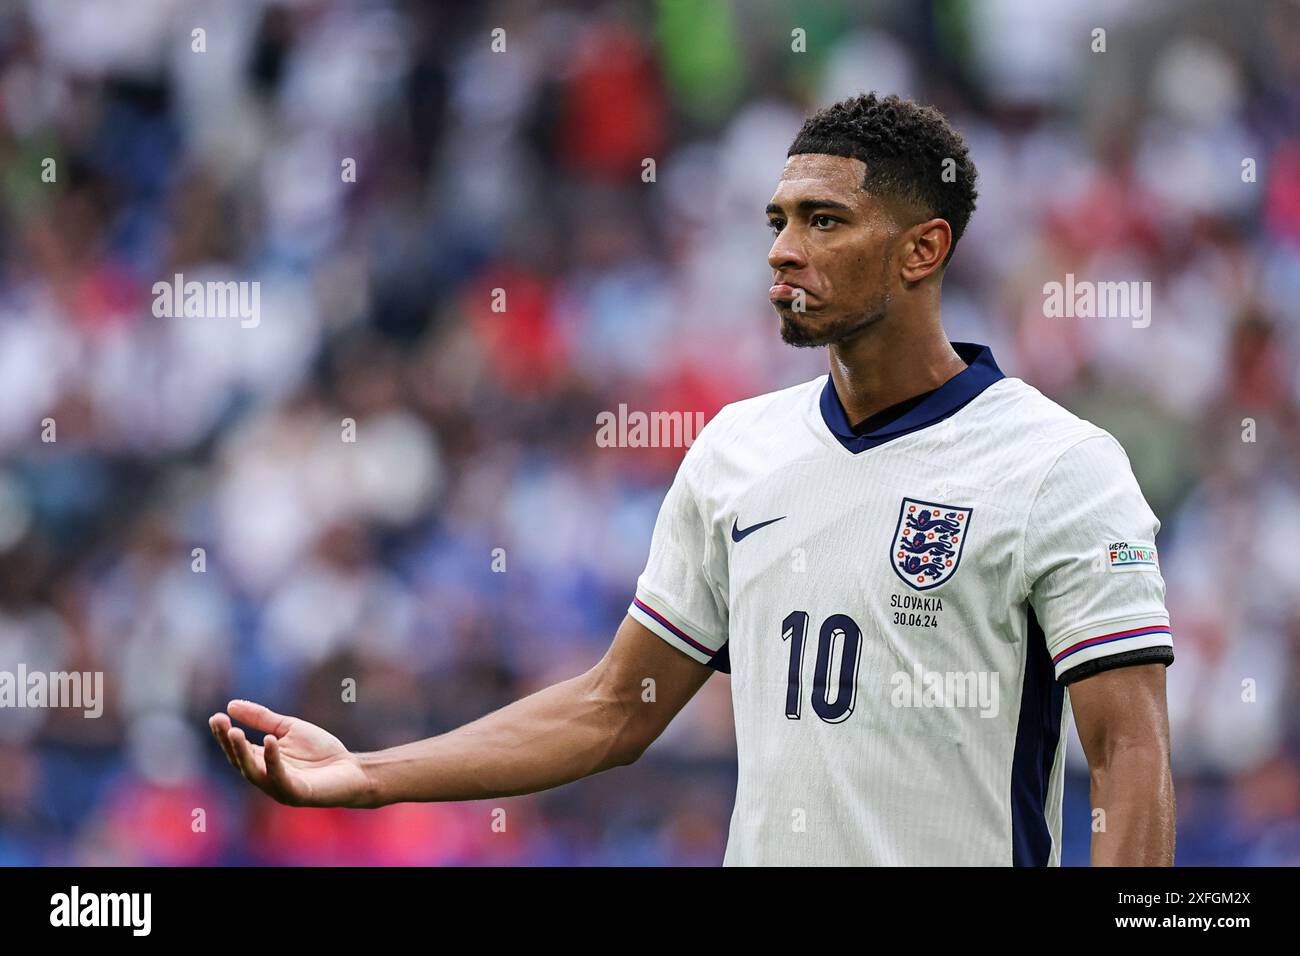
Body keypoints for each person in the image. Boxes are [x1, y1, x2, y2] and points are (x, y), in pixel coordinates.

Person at [210, 92, 1175, 866]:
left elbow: (1130, 760)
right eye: (779, 220)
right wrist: (368, 774)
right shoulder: (736, 451)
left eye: (824, 220)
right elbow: (612, 709)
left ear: (923, 249)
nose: (783, 250)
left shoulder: (1060, 466)